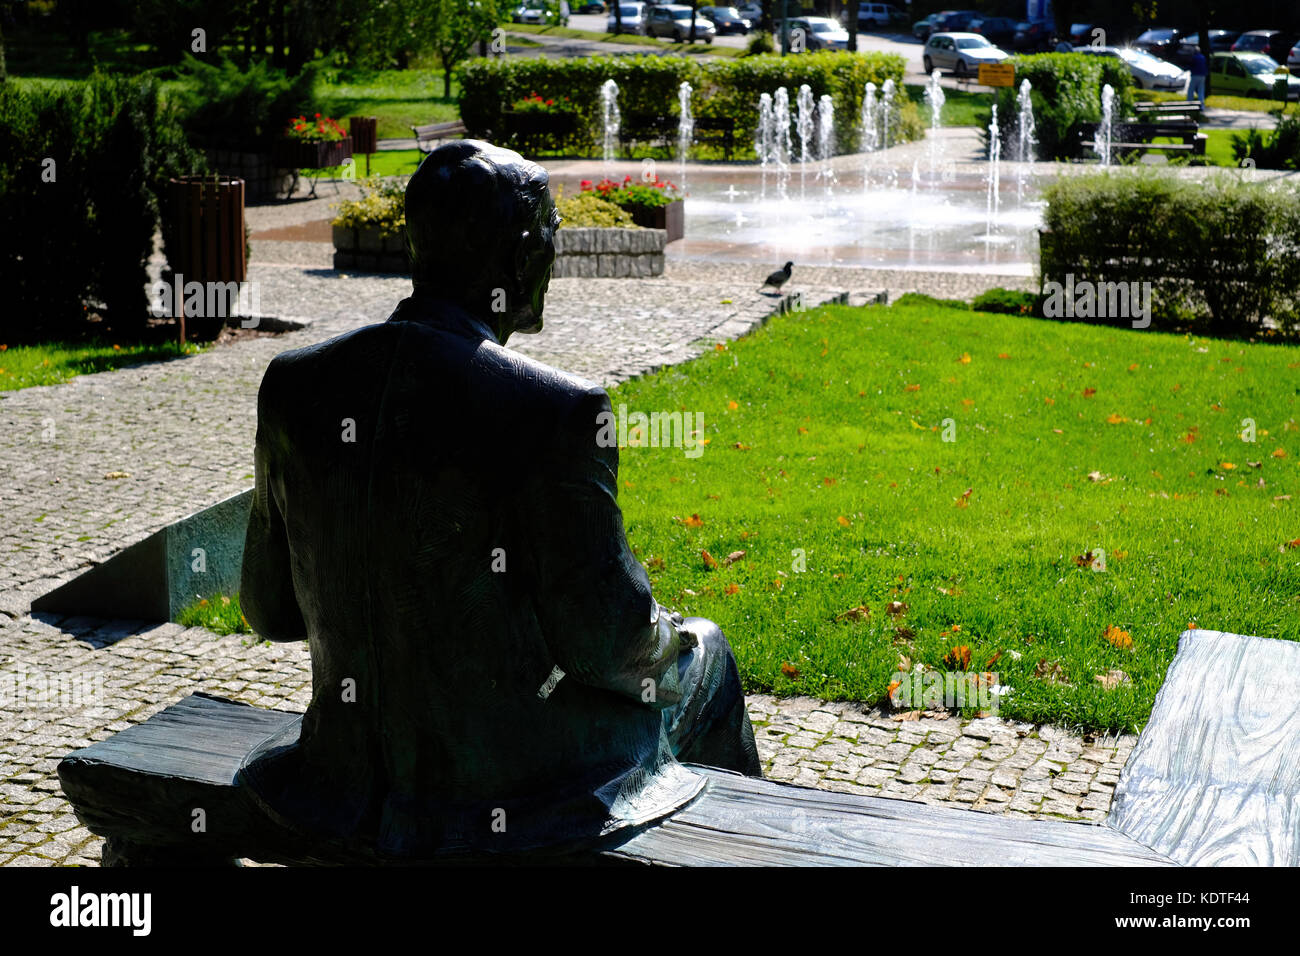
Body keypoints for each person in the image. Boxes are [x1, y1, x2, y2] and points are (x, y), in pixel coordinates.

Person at [238, 140, 760, 859]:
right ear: (519, 256)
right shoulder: (556, 411)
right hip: (523, 794)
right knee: (710, 655)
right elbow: (607, 642)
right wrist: (675, 639)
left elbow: (268, 610)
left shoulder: (294, 384)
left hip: (343, 777)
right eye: (549, 238)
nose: (552, 257)